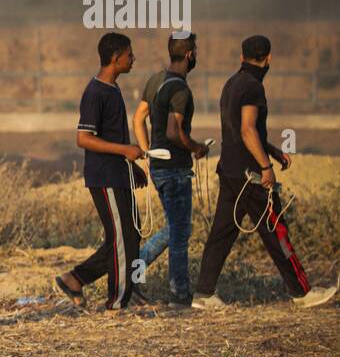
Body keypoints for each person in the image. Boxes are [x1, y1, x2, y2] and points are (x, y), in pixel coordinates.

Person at [192, 35, 336, 309]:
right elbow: (247, 129)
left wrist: (273, 150)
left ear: (241, 57)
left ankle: (203, 294)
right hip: (251, 177)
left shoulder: (232, 83)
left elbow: (243, 130)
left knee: (221, 234)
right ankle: (303, 292)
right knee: (277, 230)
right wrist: (266, 167)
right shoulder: (254, 87)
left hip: (231, 171)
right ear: (268, 58)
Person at [55, 32, 144, 310]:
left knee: (131, 235)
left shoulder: (113, 88)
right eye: (130, 54)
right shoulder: (95, 93)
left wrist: (133, 166)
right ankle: (116, 302)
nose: (133, 59)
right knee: (120, 239)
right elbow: (83, 138)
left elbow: (114, 138)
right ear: (116, 59)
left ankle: (76, 278)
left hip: (118, 173)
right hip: (104, 177)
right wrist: (125, 151)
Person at [130, 31, 209, 305]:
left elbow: (138, 118)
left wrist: (146, 152)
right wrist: (197, 147)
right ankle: (179, 294)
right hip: (175, 168)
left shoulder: (154, 81)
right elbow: (175, 133)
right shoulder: (180, 89)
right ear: (190, 55)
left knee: (177, 228)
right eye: (195, 51)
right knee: (179, 234)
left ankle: (132, 270)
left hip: (159, 166)